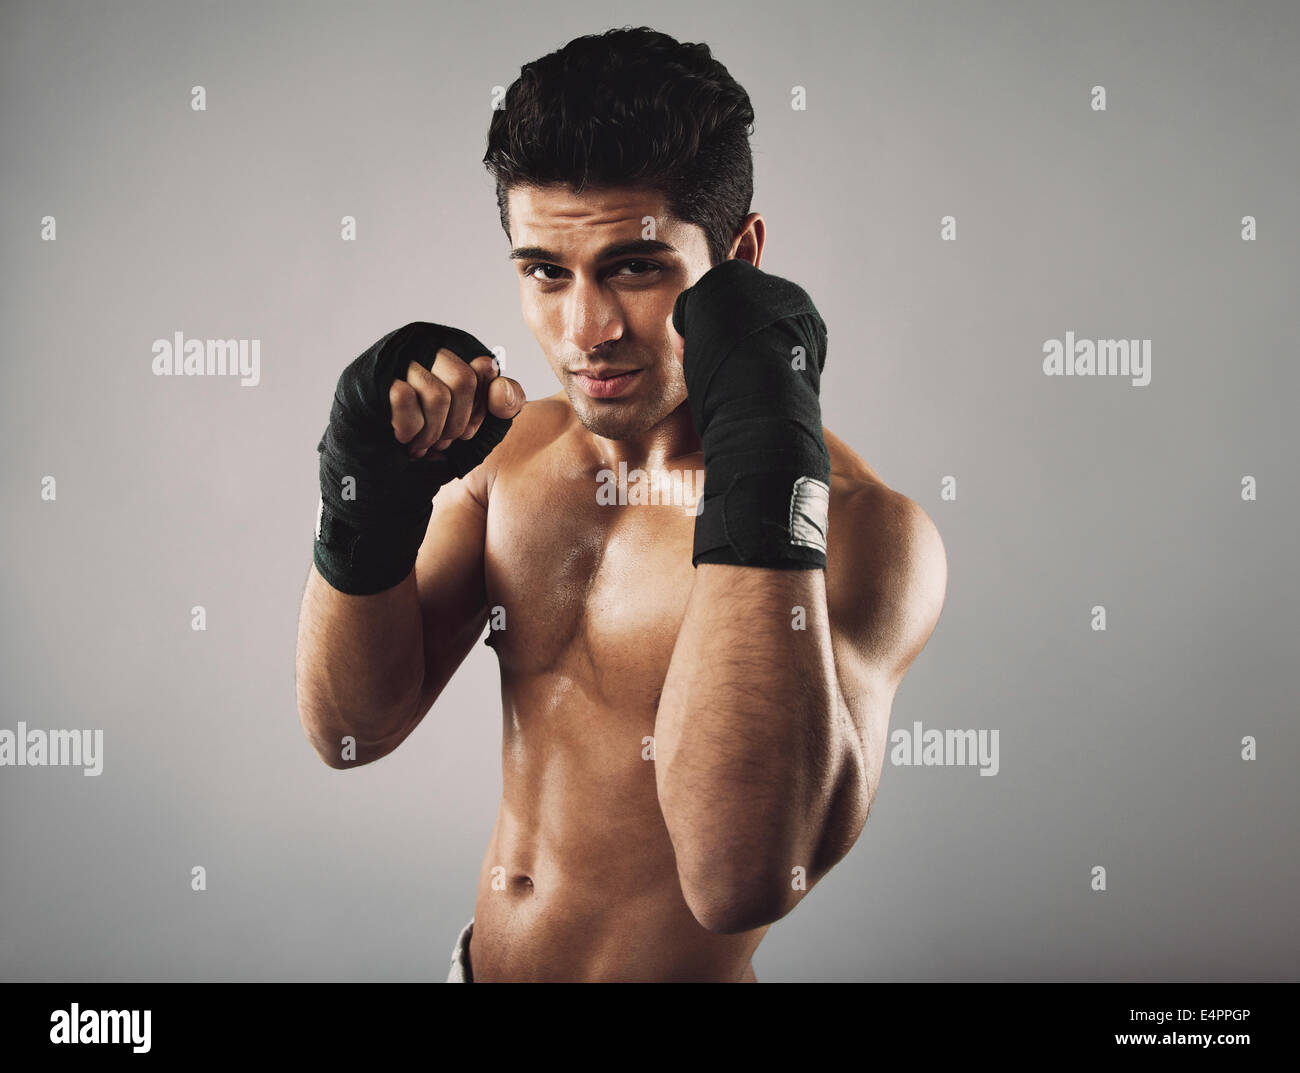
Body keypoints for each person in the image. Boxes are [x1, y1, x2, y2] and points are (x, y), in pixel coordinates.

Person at [295, 26, 947, 983]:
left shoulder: (860, 534)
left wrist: (764, 472)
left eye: (634, 268)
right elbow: (351, 728)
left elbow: (740, 877)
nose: (585, 331)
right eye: (544, 271)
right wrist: (364, 514)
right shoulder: (515, 459)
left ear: (740, 258)